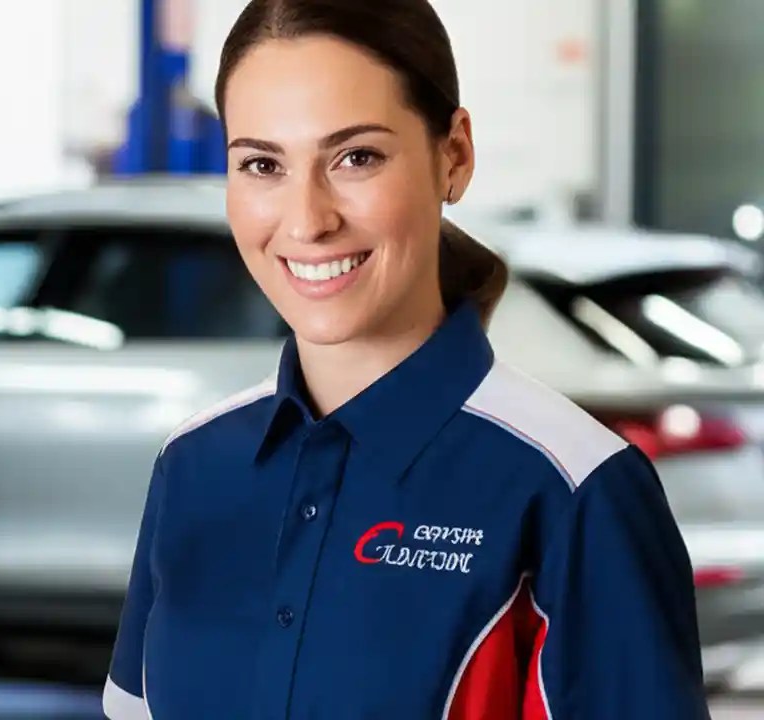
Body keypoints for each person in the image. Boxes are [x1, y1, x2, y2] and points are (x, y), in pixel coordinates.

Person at [102, 0, 710, 718]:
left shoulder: (574, 492)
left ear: (453, 154)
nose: (307, 220)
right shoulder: (192, 466)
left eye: (356, 157)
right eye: (263, 164)